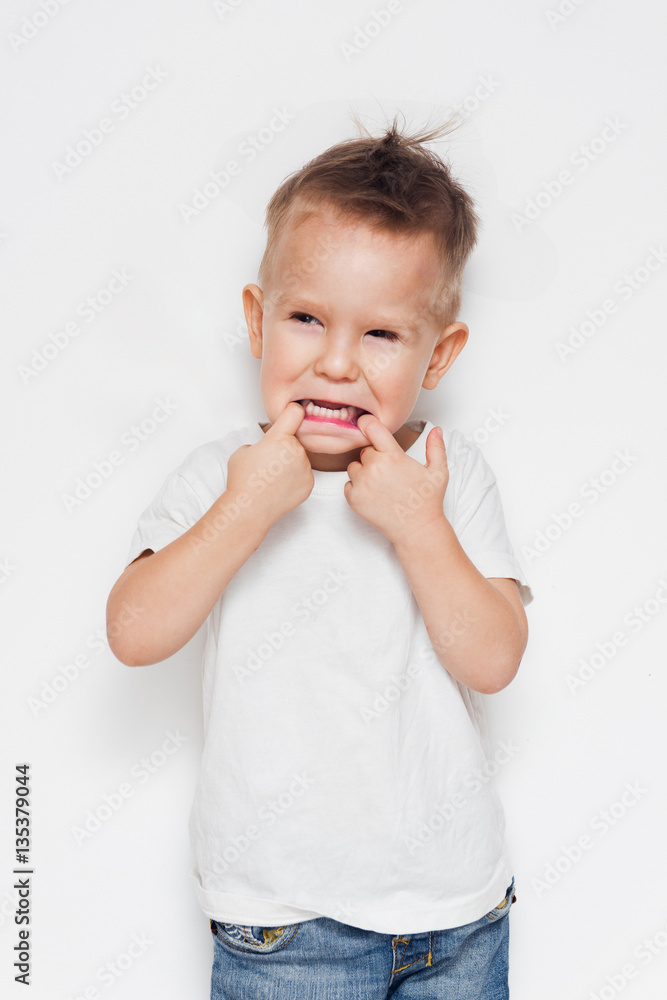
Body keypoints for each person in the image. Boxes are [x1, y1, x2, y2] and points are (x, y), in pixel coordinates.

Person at [106, 111, 534, 999]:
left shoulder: (447, 479)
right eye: (307, 319)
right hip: (283, 924)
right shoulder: (223, 472)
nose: (336, 363)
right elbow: (134, 632)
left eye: (379, 334)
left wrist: (420, 525)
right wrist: (246, 506)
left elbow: (492, 660)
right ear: (258, 322)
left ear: (438, 352)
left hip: (455, 914)